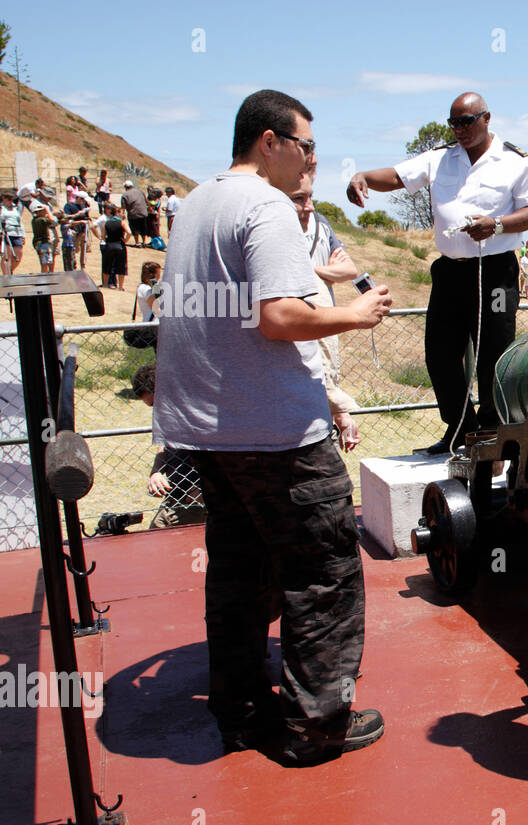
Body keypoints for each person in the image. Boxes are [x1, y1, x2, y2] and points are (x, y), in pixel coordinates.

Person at [151, 88, 393, 765]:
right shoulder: (266, 206)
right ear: (270, 141)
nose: (312, 160)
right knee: (324, 573)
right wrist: (358, 313)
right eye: (306, 145)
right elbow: (279, 316)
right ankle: (317, 725)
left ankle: (241, 710)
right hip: (278, 431)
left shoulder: (197, 202)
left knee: (239, 572)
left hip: (209, 431)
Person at [346, 91, 528, 454]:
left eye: (466, 121)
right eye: (453, 123)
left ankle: (491, 434)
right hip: (450, 272)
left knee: (493, 356)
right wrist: (363, 178)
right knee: (440, 354)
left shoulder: (515, 161)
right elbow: (396, 176)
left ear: (486, 118)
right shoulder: (440, 158)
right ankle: (460, 429)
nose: (459, 130)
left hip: (495, 272)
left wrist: (496, 225)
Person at [289, 183, 362, 451]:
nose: (309, 206)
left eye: (311, 198)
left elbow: (349, 269)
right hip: (291, 325)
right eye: (299, 199)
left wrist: (312, 271)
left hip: (322, 322)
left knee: (326, 372)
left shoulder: (320, 225)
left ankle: (336, 425)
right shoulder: (273, 226)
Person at [131, 364, 207, 529]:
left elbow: (216, 451)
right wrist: (156, 472)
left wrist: (205, 487)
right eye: (151, 406)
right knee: (156, 534)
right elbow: (163, 444)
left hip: (196, 497)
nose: (155, 409)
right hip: (176, 493)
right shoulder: (166, 414)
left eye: (155, 403)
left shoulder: (195, 412)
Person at [91, 202, 129, 289]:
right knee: (110, 265)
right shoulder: (103, 218)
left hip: (108, 243)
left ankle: (111, 283)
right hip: (109, 244)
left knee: (109, 264)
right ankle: (111, 283)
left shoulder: (109, 220)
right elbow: (93, 226)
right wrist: (99, 237)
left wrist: (102, 237)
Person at [120, 180, 150, 247]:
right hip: (143, 213)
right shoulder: (140, 192)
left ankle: (137, 243)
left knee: (135, 229)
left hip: (133, 214)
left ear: (125, 187)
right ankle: (144, 242)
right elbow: (146, 201)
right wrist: (149, 209)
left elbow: (123, 207)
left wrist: (122, 215)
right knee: (143, 228)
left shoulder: (125, 195)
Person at [1, 192, 25, 275]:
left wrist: (23, 235)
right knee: (7, 256)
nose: (10, 201)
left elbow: (20, 221)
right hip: (6, 233)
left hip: (17, 232)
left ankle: (10, 270)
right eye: (8, 199)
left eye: (11, 199)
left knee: (18, 255)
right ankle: (6, 275)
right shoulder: (2, 209)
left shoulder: (16, 208)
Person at [31, 204, 57, 274]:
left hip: (38, 242)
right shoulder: (41, 219)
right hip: (43, 243)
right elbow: (52, 220)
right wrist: (48, 210)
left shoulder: (34, 220)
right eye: (42, 211)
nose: (44, 212)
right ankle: (44, 278)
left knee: (44, 261)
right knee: (45, 262)